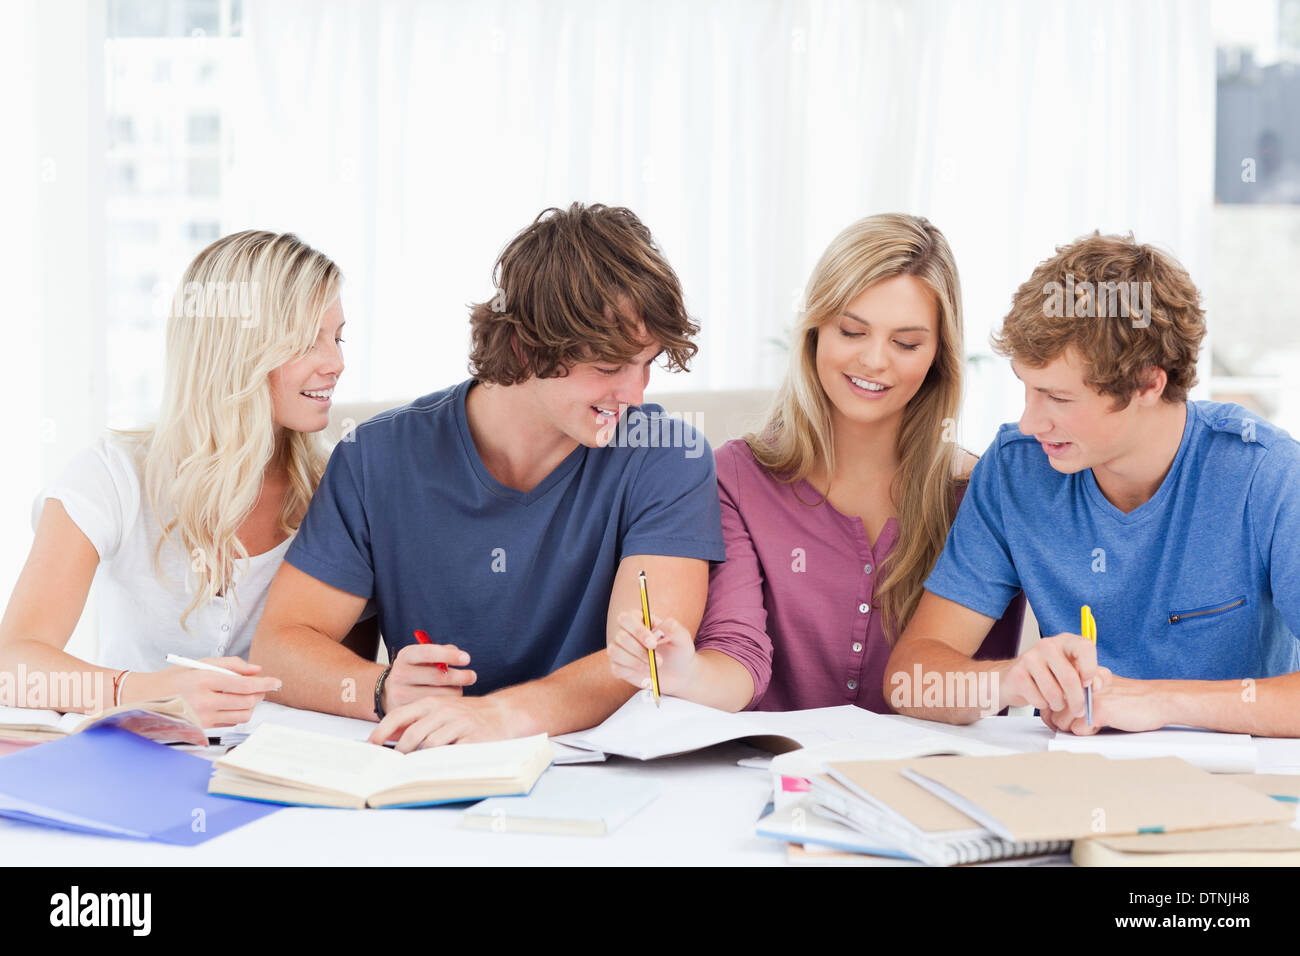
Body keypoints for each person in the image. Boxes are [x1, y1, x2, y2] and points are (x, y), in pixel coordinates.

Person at [250, 203, 724, 750]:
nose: (635, 396)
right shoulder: (377, 456)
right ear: (526, 348)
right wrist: (383, 687)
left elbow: (642, 660)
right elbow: (281, 645)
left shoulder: (670, 457)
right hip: (426, 766)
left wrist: (499, 717)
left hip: (600, 770)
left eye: (647, 365)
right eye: (609, 367)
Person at [884, 231, 1300, 737]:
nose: (1031, 422)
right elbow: (909, 680)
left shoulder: (1268, 475)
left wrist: (1158, 701)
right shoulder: (1016, 471)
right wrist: (1006, 681)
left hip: (1235, 788)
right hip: (1072, 784)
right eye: (1027, 388)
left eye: (1057, 398)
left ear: (1149, 384)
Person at [606, 213, 1023, 711]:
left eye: (906, 343)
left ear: (938, 354)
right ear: (815, 331)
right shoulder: (735, 480)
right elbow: (737, 650)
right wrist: (688, 674)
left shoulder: (982, 493)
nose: (874, 361)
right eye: (851, 331)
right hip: (772, 779)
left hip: (931, 777)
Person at [0, 230, 358, 727]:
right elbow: (14, 666)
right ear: (236, 348)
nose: (337, 363)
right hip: (137, 762)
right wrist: (146, 691)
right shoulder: (114, 476)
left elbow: (342, 676)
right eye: (305, 342)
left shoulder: (339, 488)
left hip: (280, 776)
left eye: (338, 337)